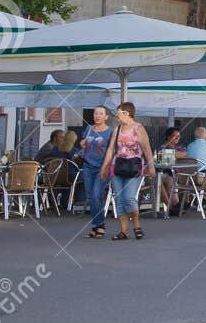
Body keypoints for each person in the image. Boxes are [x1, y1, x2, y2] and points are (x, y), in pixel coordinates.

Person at [99, 101, 155, 241]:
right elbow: (111, 149)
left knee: (129, 197)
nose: (117, 116)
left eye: (119, 113)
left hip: (134, 166)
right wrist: (104, 167)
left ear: (127, 113)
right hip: (117, 166)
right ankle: (124, 231)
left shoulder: (138, 129)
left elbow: (147, 149)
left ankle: (136, 225)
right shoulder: (117, 129)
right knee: (119, 199)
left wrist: (151, 166)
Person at [77, 106, 114, 238]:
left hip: (102, 167)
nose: (97, 116)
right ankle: (96, 226)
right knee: (91, 197)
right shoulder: (89, 129)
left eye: (100, 114)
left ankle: (100, 225)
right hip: (87, 166)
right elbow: (84, 145)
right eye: (95, 113)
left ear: (106, 117)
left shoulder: (110, 132)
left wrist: (106, 167)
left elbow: (112, 151)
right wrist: (82, 144)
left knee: (96, 195)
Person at [155, 126, 186, 216]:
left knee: (168, 179)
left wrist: (170, 154)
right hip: (164, 173)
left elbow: (184, 154)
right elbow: (160, 159)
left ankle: (174, 207)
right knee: (160, 181)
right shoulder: (162, 147)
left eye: (179, 136)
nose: (177, 138)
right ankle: (172, 207)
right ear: (168, 137)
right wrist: (176, 154)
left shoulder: (180, 147)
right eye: (175, 136)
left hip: (180, 175)